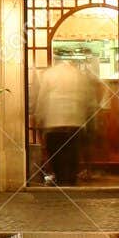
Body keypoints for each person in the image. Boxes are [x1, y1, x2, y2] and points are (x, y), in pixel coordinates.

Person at [35, 57, 96, 186]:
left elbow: (42, 97)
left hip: (54, 120)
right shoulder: (79, 75)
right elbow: (87, 98)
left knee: (55, 151)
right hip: (75, 120)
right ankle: (70, 179)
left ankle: (60, 178)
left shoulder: (49, 74)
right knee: (72, 152)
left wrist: (39, 117)